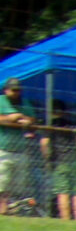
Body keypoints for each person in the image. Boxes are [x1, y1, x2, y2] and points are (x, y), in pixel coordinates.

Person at [0, 77, 38, 215]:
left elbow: (33, 120)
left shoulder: (25, 103)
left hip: (20, 150)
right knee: (2, 182)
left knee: (17, 185)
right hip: (3, 149)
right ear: (6, 90)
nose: (16, 93)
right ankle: (2, 210)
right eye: (13, 90)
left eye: (18, 90)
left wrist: (25, 120)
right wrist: (10, 118)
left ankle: (12, 211)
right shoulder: (1, 101)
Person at [47, 101, 76, 221]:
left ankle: (65, 219)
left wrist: (47, 158)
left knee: (62, 192)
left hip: (59, 161)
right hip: (74, 160)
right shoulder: (73, 125)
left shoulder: (50, 125)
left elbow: (44, 143)